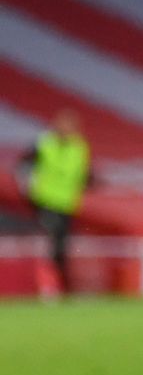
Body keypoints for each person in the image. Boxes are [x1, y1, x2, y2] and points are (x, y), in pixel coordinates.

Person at [16, 109, 90, 298]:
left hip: (67, 203)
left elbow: (83, 174)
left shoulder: (79, 147)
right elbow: (23, 165)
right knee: (51, 242)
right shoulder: (44, 144)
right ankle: (48, 288)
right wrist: (28, 188)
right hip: (46, 201)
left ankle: (59, 287)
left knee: (61, 246)